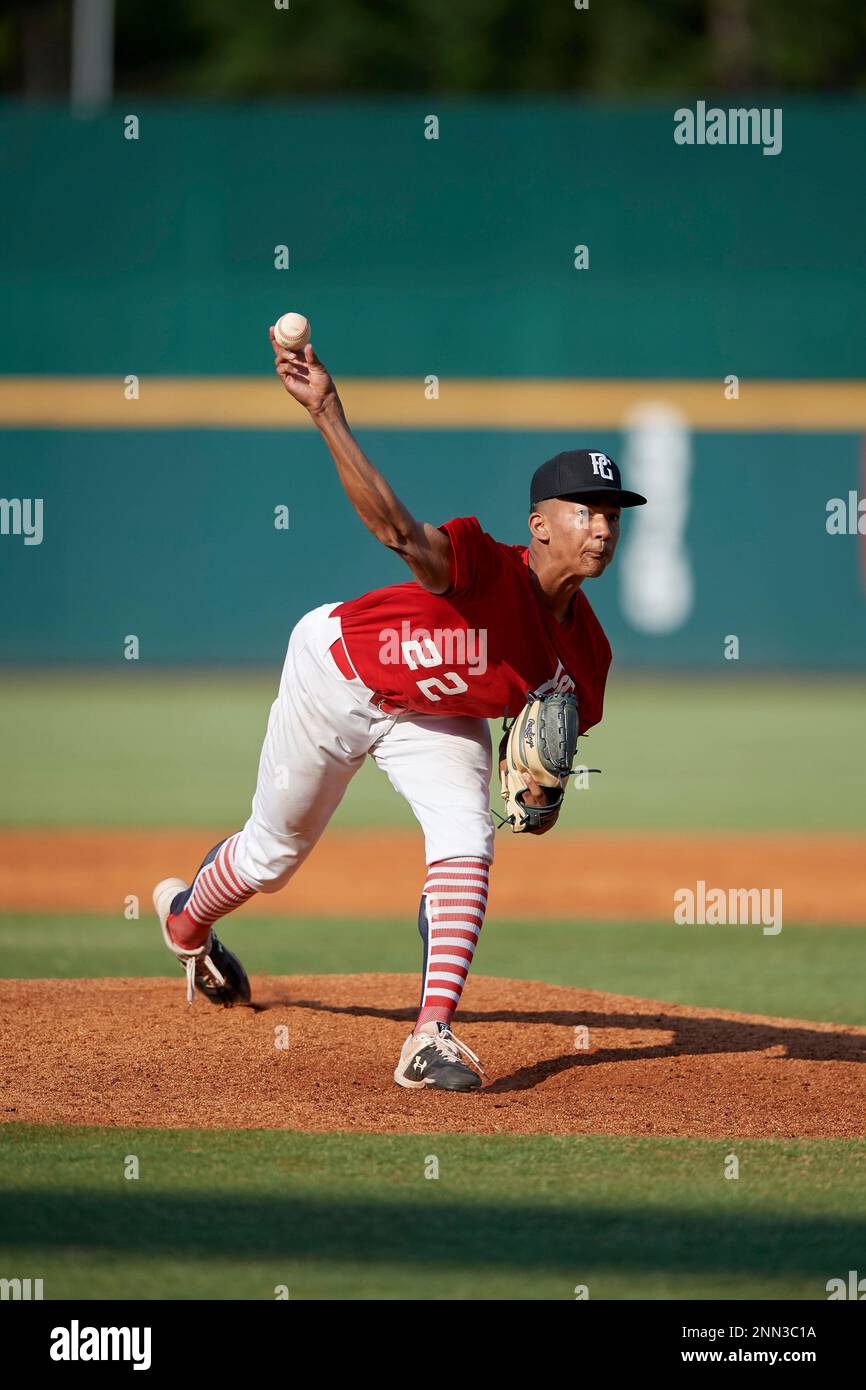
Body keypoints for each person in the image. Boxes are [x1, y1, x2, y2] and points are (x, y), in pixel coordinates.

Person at [153, 329, 646, 1092]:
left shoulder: (589, 659)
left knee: (467, 835)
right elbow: (395, 530)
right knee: (271, 857)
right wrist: (327, 413)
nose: (606, 526)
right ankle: (187, 923)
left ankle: (430, 1037)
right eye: (587, 510)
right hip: (337, 670)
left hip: (436, 716)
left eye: (614, 512)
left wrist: (544, 797)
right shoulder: (484, 563)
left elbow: (539, 761)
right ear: (540, 524)